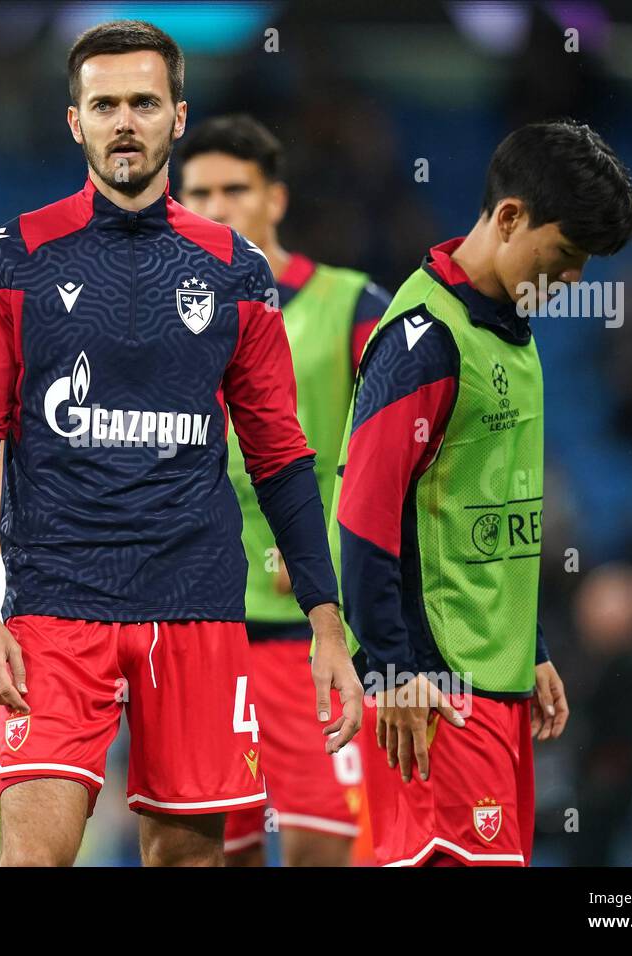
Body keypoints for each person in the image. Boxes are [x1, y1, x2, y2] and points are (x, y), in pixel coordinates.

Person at [0, 19, 363, 867]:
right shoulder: (11, 257)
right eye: (104, 105)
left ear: (177, 116)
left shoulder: (237, 271)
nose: (123, 121)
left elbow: (280, 455)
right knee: (32, 860)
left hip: (198, 608)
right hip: (56, 606)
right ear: (75, 122)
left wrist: (327, 623)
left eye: (142, 102)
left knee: (191, 862)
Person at [334, 119, 632, 866]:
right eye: (565, 255)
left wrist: (526, 647)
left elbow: (494, 516)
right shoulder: (423, 341)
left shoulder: (512, 332)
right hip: (436, 692)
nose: (572, 281)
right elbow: (363, 516)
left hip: (492, 688)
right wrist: (392, 669)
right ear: (509, 218)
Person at [177, 113, 390, 867]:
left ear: (276, 199)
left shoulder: (354, 306)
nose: (216, 205)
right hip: (198, 630)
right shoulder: (152, 320)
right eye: (197, 190)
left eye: (236, 188)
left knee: (324, 843)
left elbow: (406, 449)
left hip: (314, 632)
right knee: (215, 846)